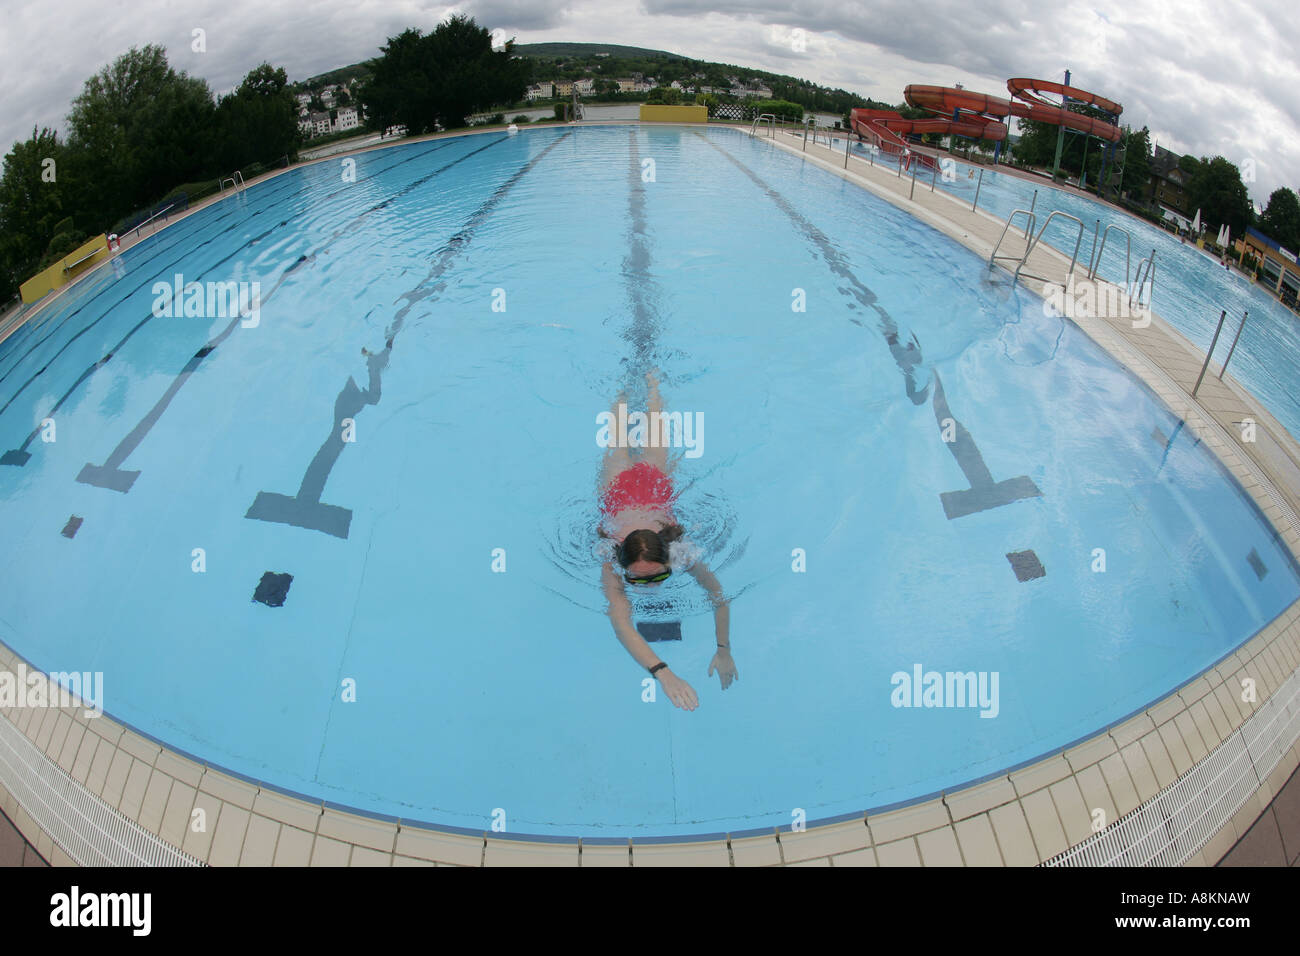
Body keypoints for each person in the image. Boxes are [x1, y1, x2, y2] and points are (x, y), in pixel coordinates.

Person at [598, 371, 735, 711]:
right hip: (627, 491)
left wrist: (724, 649)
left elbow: (719, 596)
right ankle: (624, 383)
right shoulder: (611, 558)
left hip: (643, 485)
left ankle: (652, 379)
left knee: (643, 422)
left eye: (658, 576)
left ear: (668, 559)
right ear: (623, 565)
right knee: (621, 431)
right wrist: (663, 673)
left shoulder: (680, 552)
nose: (650, 586)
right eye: (638, 580)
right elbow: (620, 623)